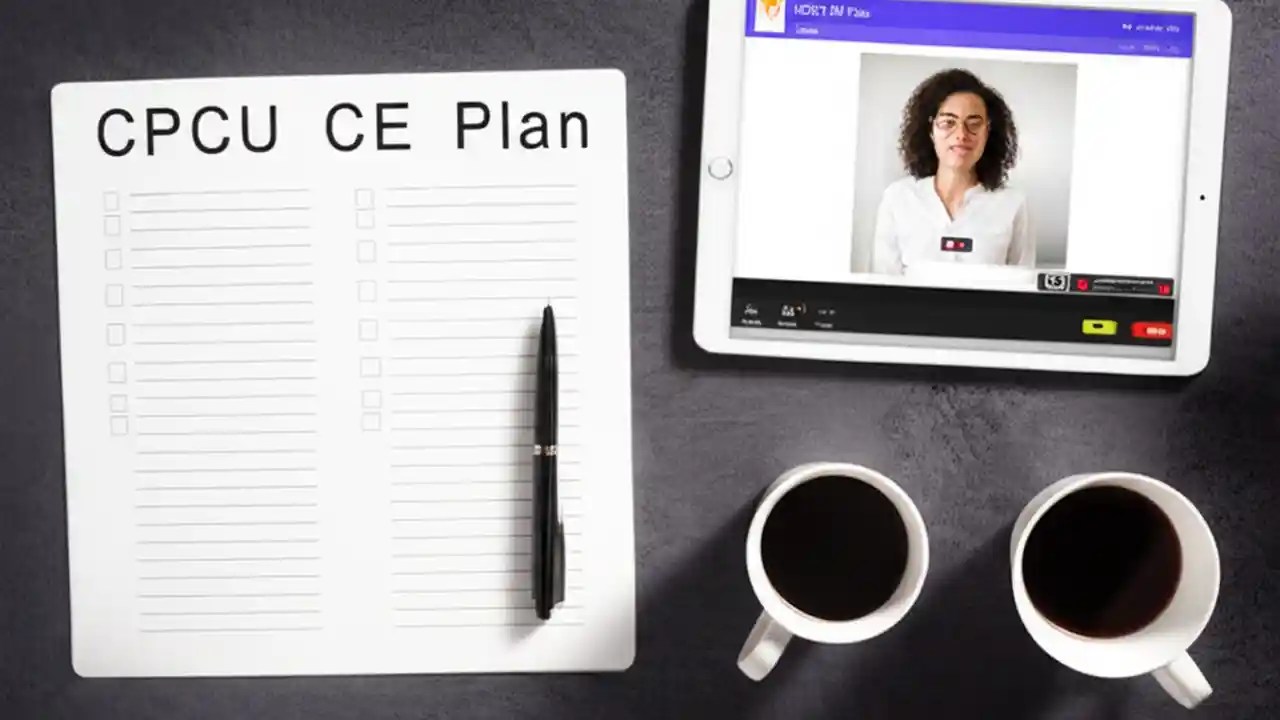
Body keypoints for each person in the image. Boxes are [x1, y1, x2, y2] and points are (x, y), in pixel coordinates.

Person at [871, 68, 1034, 276]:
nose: (961, 135)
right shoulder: (898, 198)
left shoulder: (1014, 204)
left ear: (988, 132)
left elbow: (1022, 291)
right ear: (930, 130)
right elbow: (883, 288)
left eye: (974, 124)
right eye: (948, 122)